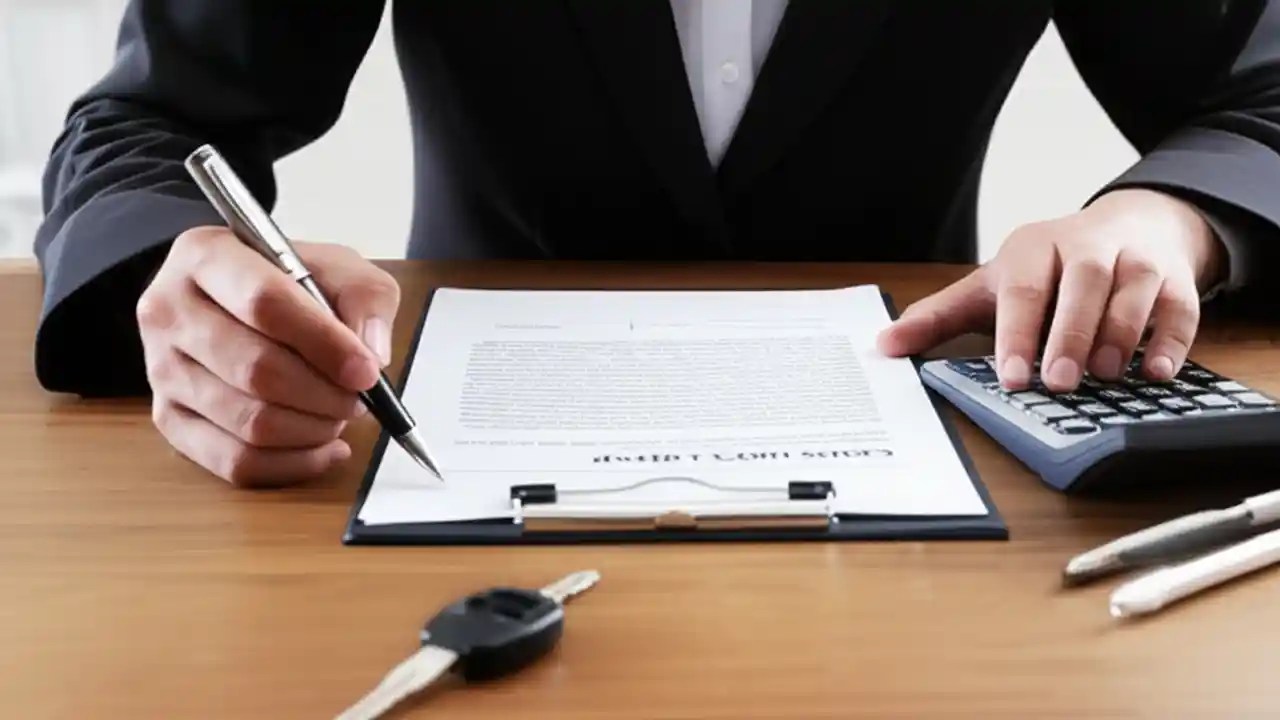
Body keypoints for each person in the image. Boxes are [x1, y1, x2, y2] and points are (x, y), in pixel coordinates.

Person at [32, 1, 1280, 487]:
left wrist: (1161, 218)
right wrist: (187, 284)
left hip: (931, 479)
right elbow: (147, 124)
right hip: (428, 470)